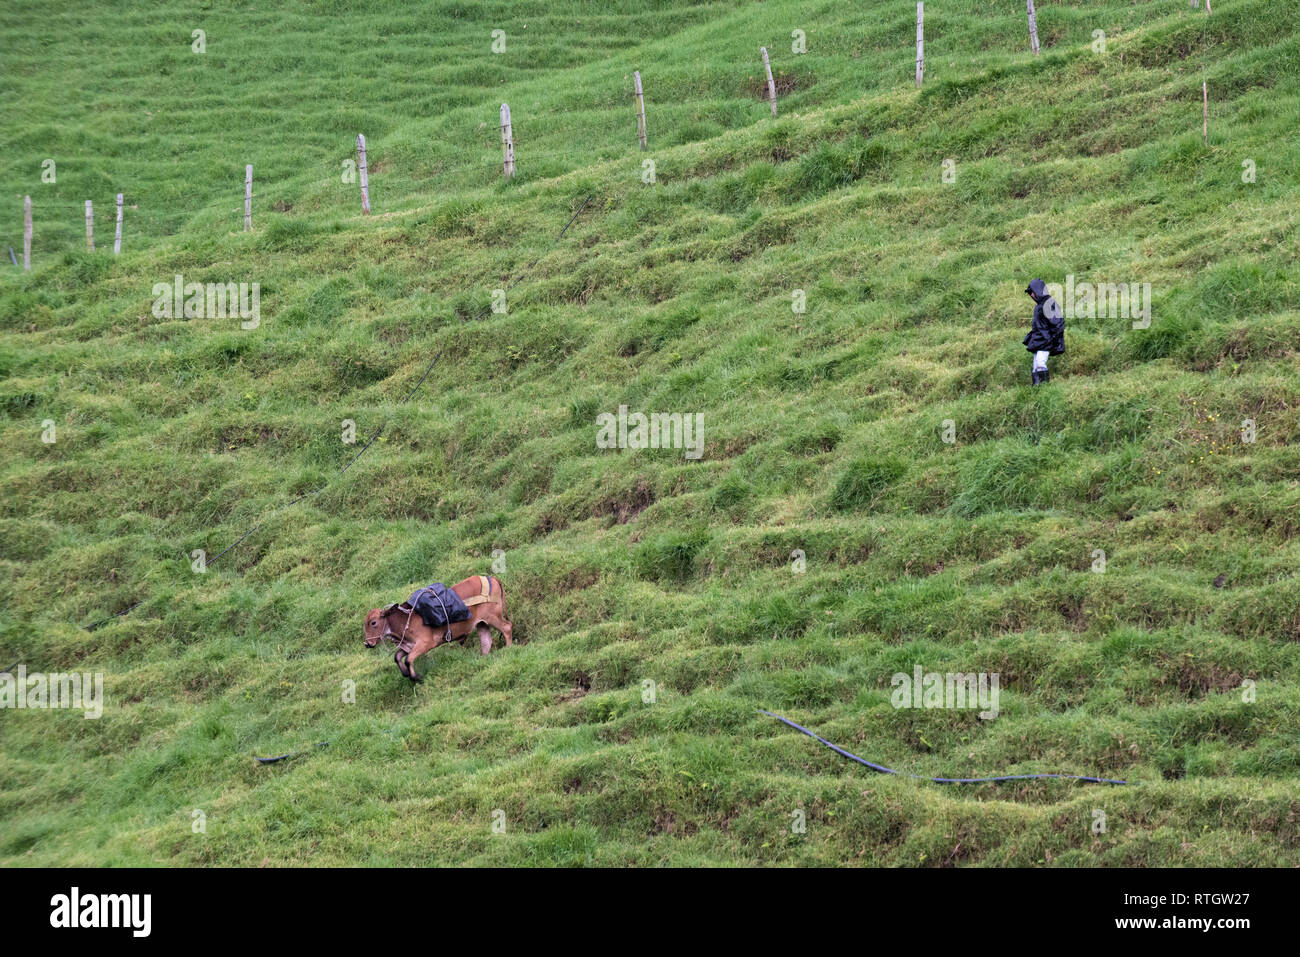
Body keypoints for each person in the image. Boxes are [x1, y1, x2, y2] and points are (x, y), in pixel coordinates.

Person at [1022, 278, 1065, 385]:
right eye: (1030, 293)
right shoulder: (1039, 306)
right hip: (1039, 340)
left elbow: (1058, 324)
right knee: (1036, 366)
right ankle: (1037, 389)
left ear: (1037, 290)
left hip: (1046, 340)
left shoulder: (1049, 304)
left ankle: (1044, 387)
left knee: (1040, 364)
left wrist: (1052, 339)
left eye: (1032, 292)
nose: (1031, 295)